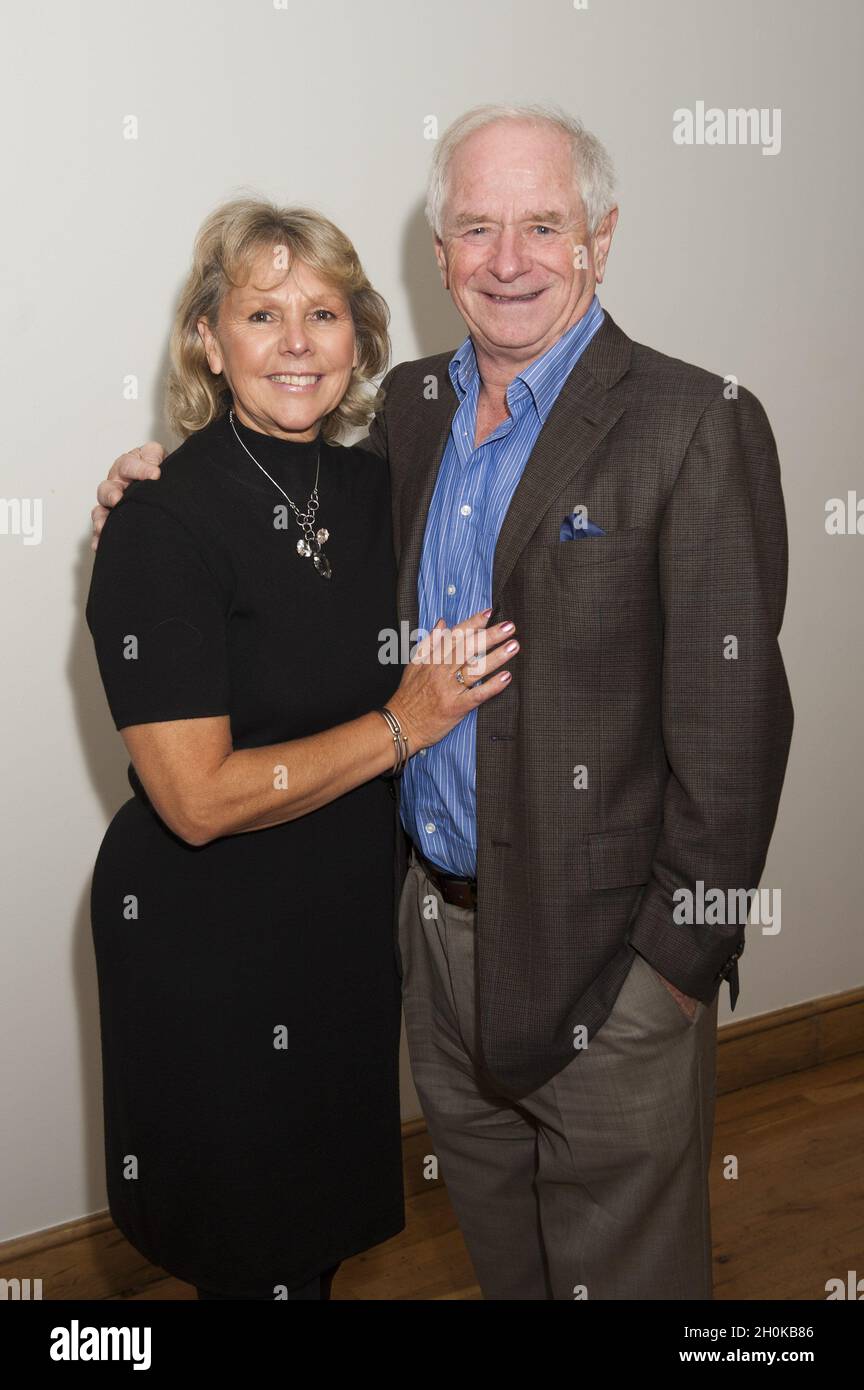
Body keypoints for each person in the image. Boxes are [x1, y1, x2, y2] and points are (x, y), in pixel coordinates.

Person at [91, 102, 794, 1301]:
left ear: (600, 239)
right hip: (424, 949)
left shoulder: (692, 423)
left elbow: (738, 726)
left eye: (541, 224)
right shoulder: (411, 416)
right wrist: (146, 488)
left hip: (611, 965)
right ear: (439, 256)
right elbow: (255, 545)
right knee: (503, 1268)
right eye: (477, 226)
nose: (507, 258)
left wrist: (673, 967)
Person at [85, 197, 518, 1301]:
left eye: (322, 312)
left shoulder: (385, 487)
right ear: (207, 338)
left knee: (314, 1239)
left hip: (339, 927)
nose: (294, 343)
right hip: (207, 939)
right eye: (260, 312)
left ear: (361, 339)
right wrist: (401, 725)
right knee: (247, 1247)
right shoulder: (159, 519)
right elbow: (193, 799)